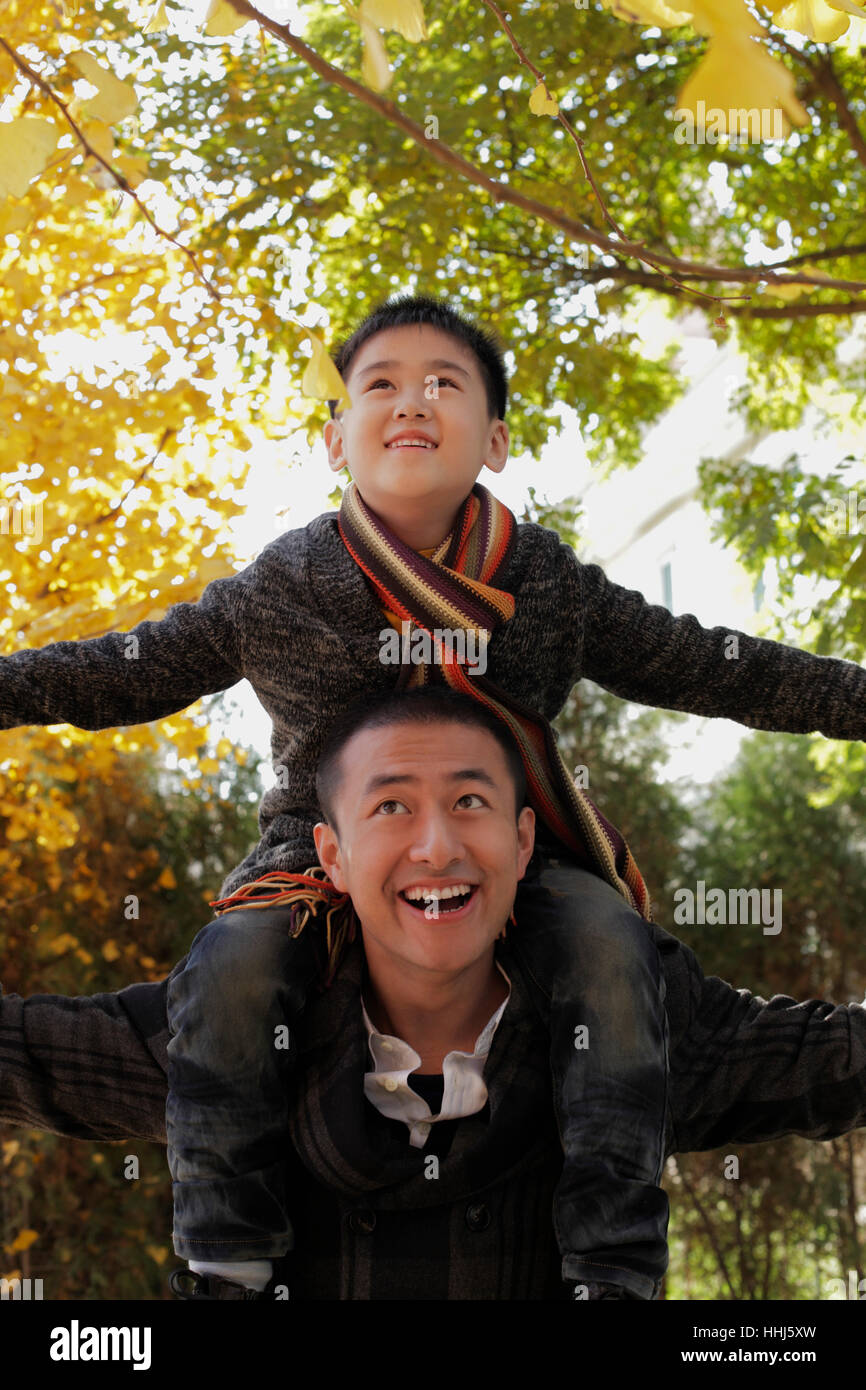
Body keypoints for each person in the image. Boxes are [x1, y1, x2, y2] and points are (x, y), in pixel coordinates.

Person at [1, 294, 865, 1300]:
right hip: (311, 859)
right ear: (335, 439)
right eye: (380, 385)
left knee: (610, 955)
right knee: (231, 981)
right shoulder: (276, 588)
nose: (412, 401)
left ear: (493, 441)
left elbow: (715, 669)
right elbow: (124, 669)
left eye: (443, 384)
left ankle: (612, 1267)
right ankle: (226, 1263)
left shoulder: (546, 584)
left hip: (512, 850)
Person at [3, 688, 866, 1301]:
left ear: (525, 841)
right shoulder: (228, 1038)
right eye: (389, 809)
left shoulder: (632, 1027)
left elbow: (836, 1060)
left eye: (469, 801)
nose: (436, 846)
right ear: (329, 858)